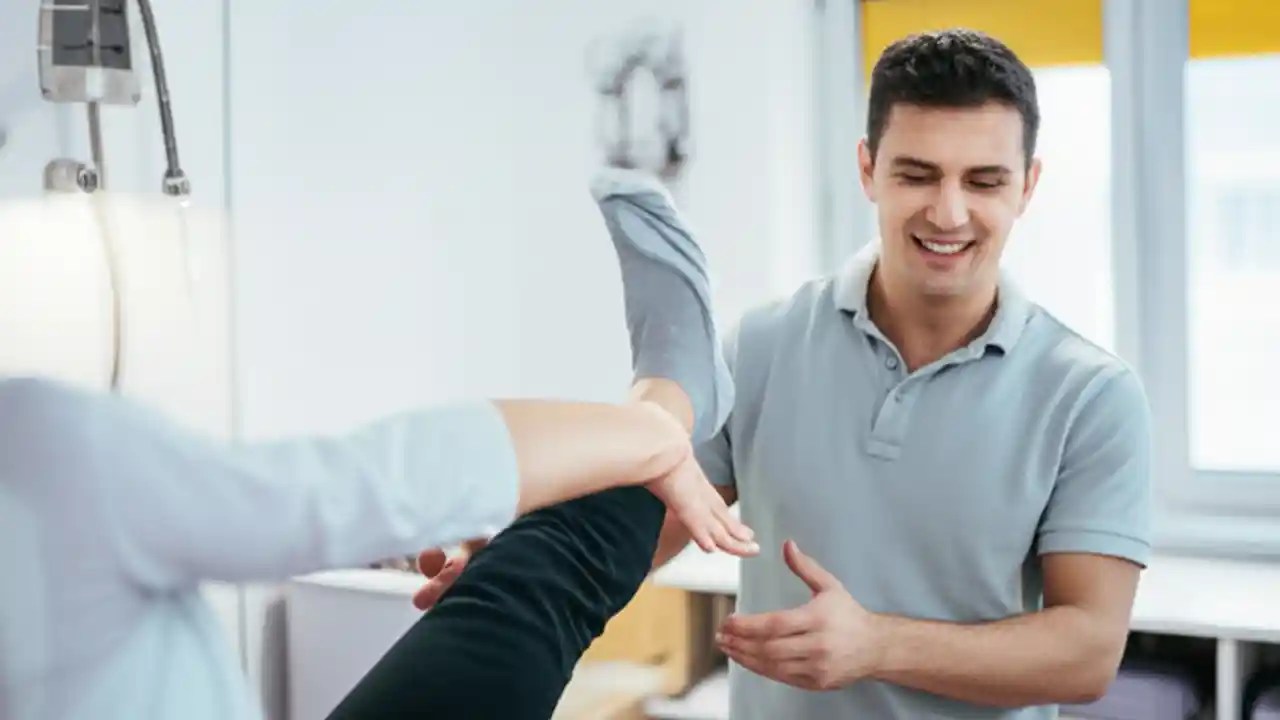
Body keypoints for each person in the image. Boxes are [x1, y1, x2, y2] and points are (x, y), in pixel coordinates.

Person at [404, 29, 1152, 720]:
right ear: (868, 170)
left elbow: (1087, 650)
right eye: (917, 174)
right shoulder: (763, 345)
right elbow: (649, 526)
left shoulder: (1090, 395)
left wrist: (878, 645)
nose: (949, 212)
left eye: (984, 181)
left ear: (1028, 185)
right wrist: (516, 574)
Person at [0, 169, 757, 720]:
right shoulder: (38, 448)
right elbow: (344, 492)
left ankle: (670, 400)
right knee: (526, 586)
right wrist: (647, 440)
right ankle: (672, 400)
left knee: (505, 578)